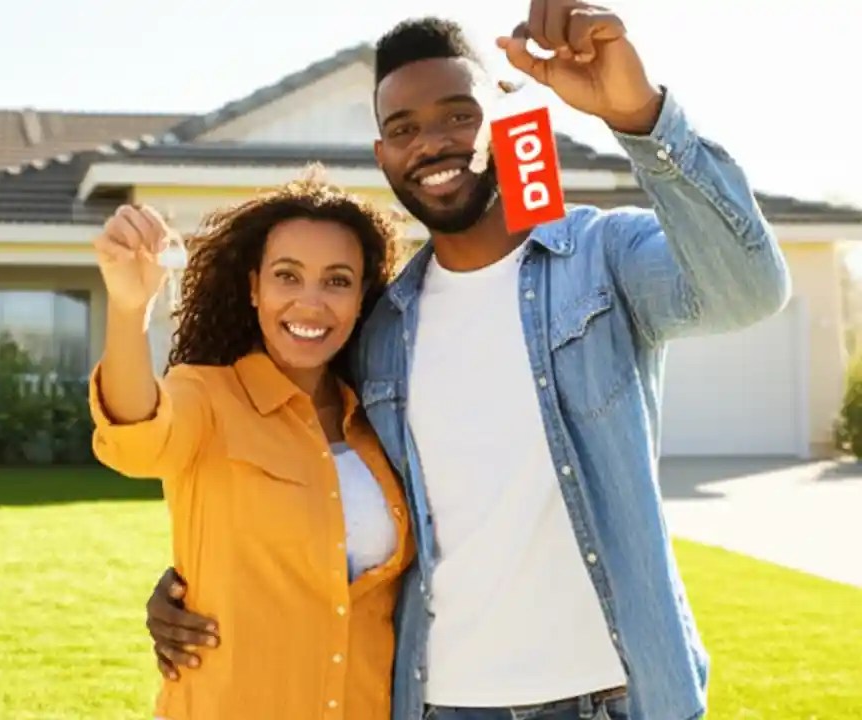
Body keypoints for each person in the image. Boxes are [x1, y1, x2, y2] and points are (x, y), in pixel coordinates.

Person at [142, 4, 791, 720]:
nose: (432, 143)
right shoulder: (380, 326)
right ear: (383, 154)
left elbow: (749, 290)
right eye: (404, 129)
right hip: (440, 701)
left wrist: (639, 115)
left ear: (504, 119)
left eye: (458, 115)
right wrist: (190, 587)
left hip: (611, 698)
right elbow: (302, 467)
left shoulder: (601, 261)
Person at [88, 172, 416, 719]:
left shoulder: (381, 422)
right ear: (253, 288)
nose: (310, 304)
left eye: (337, 281)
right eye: (287, 276)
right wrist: (128, 310)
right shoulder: (208, 397)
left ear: (363, 297)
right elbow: (136, 435)